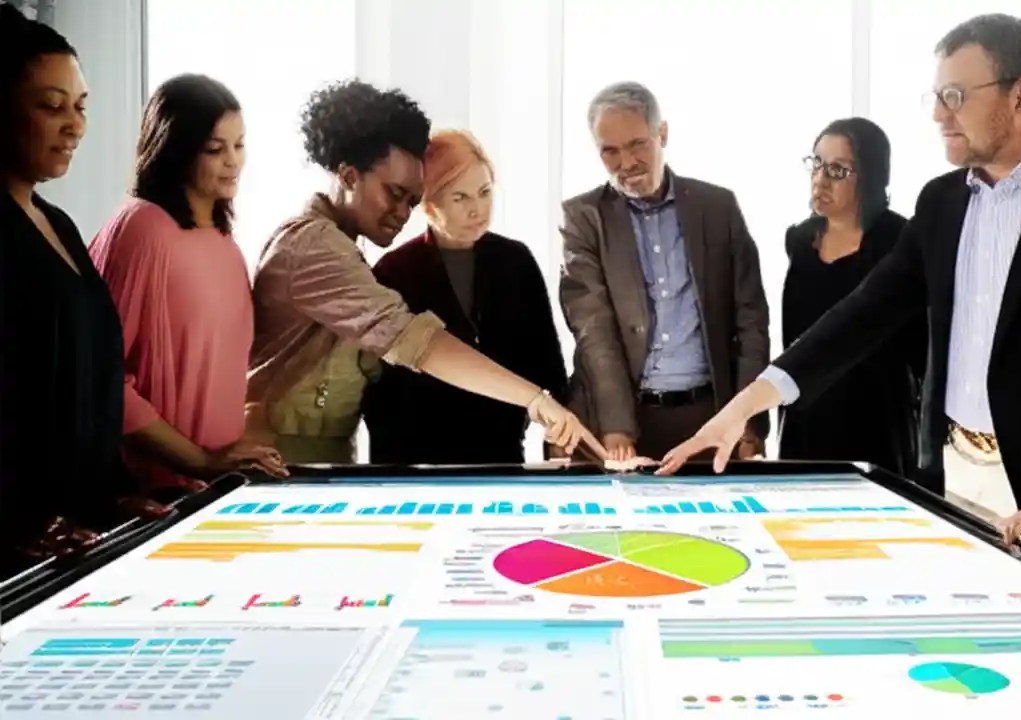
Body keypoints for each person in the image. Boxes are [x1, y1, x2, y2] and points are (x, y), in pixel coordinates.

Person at [658, 14, 1021, 559]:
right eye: (935, 94)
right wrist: (744, 405)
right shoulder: (940, 202)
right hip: (947, 479)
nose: (937, 114)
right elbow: (862, 315)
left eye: (954, 94)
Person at [246, 80, 603, 464]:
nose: (403, 213)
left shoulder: (345, 251)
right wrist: (535, 400)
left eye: (411, 201)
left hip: (325, 461)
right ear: (349, 177)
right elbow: (416, 343)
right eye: (394, 193)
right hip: (285, 459)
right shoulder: (315, 247)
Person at [0, 5, 163, 575]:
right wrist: (19, 524)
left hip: (81, 535)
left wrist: (117, 493)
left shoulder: (59, 223)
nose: (75, 125)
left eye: (81, 106)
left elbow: (90, 380)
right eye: (51, 106)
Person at [90, 74, 286, 504]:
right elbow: (101, 376)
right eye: (215, 149)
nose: (234, 161)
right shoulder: (142, 229)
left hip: (215, 490)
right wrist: (198, 459)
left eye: (239, 144)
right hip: (152, 497)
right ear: (175, 150)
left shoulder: (225, 244)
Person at [559, 81, 770, 462]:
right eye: (610, 151)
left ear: (663, 134)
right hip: (623, 421)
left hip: (711, 416)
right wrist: (616, 425)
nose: (626, 163)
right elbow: (594, 330)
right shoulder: (583, 218)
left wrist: (749, 421)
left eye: (637, 144)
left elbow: (751, 320)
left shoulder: (717, 207)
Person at [363, 130, 568, 464]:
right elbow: (379, 394)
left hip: (503, 458)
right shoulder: (393, 271)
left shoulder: (516, 261)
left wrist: (556, 443)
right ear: (429, 204)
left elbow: (547, 364)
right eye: (461, 198)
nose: (478, 209)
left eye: (485, 192)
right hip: (415, 462)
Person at [779, 118, 923, 473]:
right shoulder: (799, 240)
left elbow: (919, 342)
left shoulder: (899, 239)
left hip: (877, 414)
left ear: (870, 177)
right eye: (816, 163)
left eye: (838, 170)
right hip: (808, 409)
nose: (820, 179)